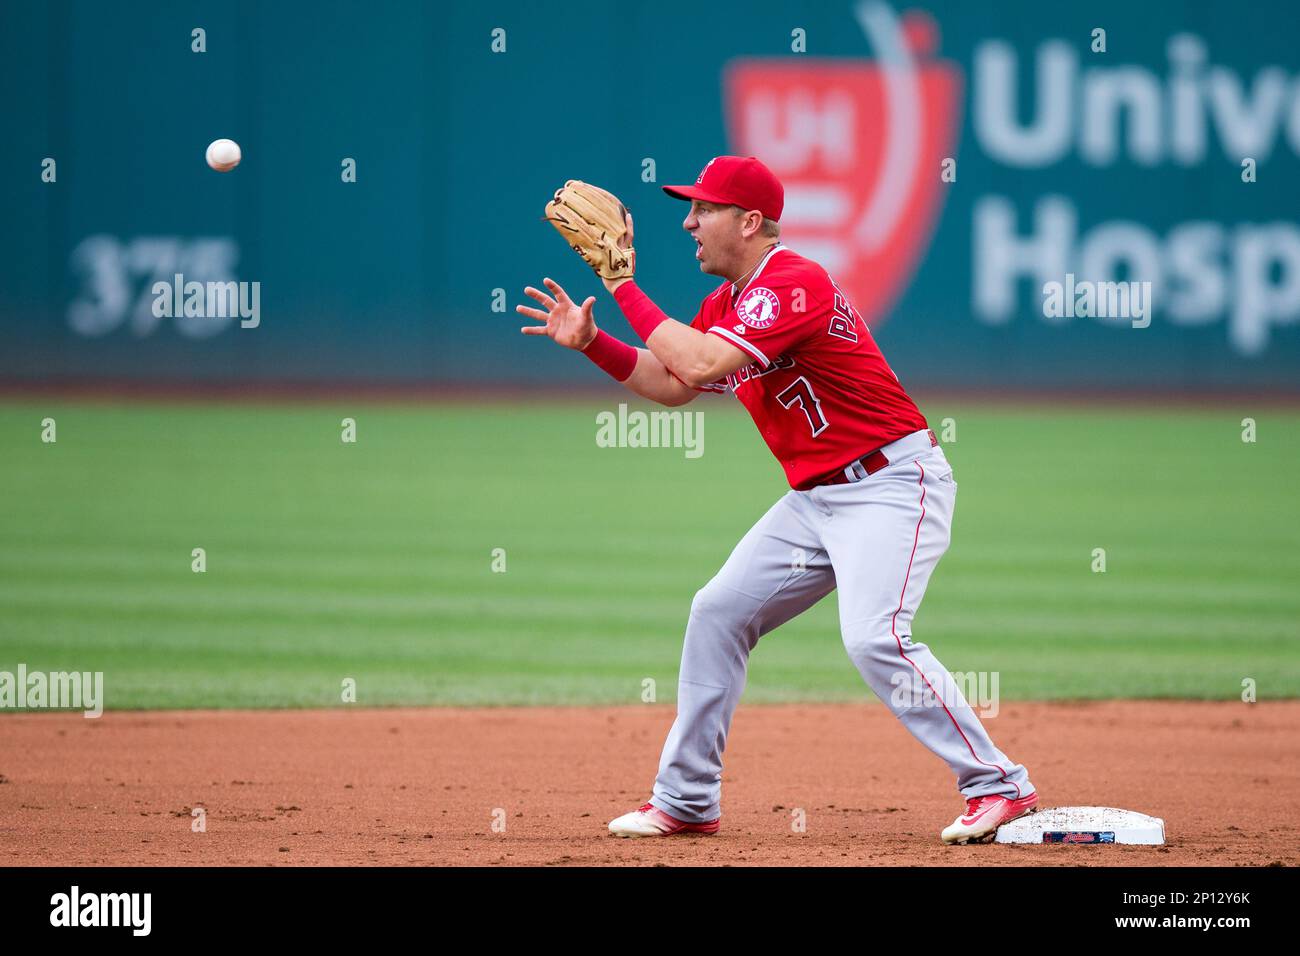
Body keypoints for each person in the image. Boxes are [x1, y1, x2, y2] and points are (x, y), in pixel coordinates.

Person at [516, 155, 1038, 845]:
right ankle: (686, 799)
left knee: (874, 636)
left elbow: (700, 362)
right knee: (717, 613)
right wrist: (592, 344)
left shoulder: (793, 281)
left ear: (750, 221)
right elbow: (676, 383)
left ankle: (1000, 786)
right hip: (817, 501)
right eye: (689, 206)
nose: (688, 221)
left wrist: (622, 284)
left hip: (890, 485)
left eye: (702, 209)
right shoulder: (727, 303)